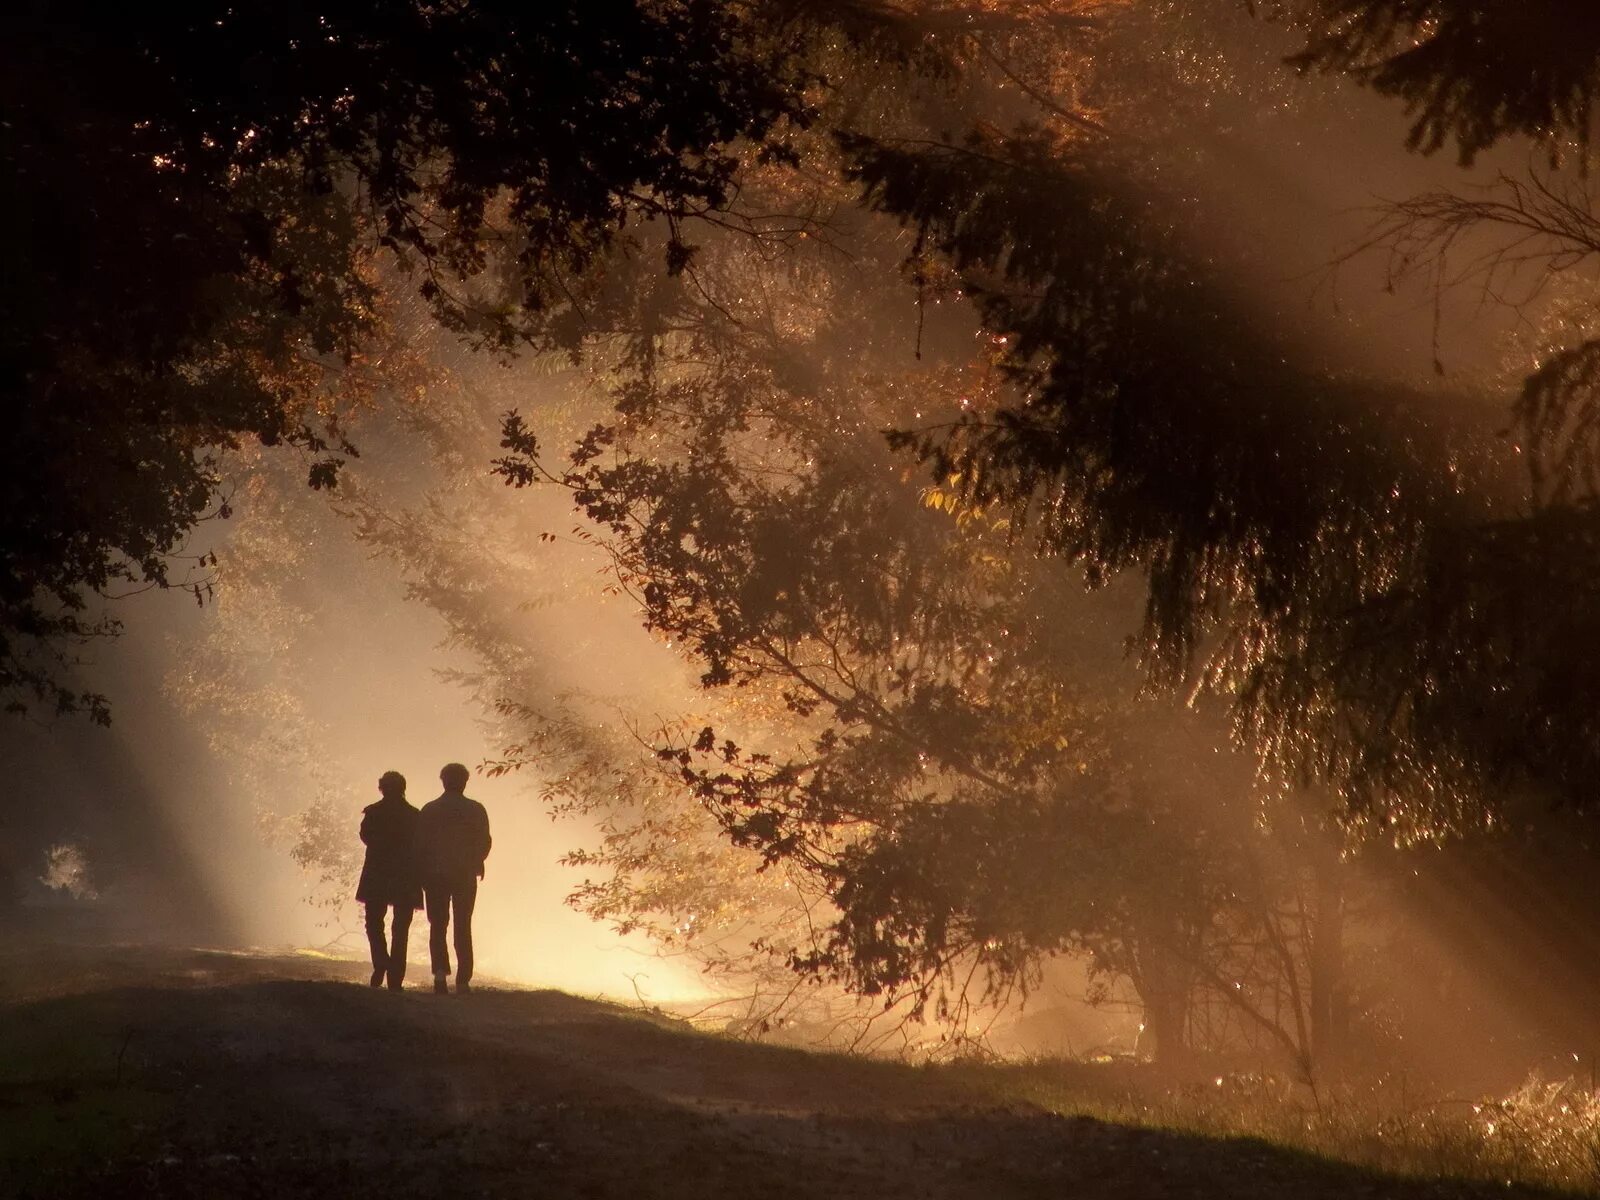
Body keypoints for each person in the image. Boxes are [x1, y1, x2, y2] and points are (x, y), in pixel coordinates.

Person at [418, 762, 491, 994]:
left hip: (435, 875)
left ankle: (440, 975)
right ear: (464, 782)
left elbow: (420, 844)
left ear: (443, 781)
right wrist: (476, 860)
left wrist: (422, 870)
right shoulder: (476, 809)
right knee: (463, 924)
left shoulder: (429, 810)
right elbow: (485, 841)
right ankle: (463, 979)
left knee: (438, 924)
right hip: (464, 874)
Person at [356, 770, 422, 990]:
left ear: (381, 788)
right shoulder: (414, 815)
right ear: (403, 789)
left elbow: (366, 838)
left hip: (377, 873)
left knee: (374, 922)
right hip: (406, 875)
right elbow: (420, 846)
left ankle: (381, 961)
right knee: (401, 927)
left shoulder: (373, 813)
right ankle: (396, 977)